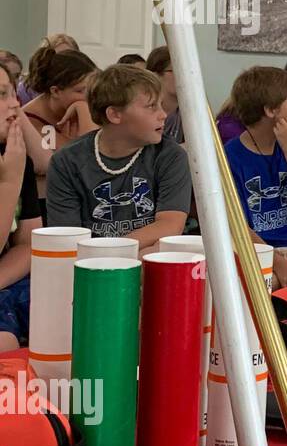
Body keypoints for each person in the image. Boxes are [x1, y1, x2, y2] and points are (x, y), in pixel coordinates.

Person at [45, 65, 191, 250]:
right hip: (89, 266)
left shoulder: (170, 156)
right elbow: (66, 237)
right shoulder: (66, 161)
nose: (163, 115)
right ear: (114, 114)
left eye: (161, 105)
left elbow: (170, 225)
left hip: (145, 261)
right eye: (151, 106)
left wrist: (112, 254)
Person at [223, 66, 287, 289]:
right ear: (271, 110)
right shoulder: (230, 158)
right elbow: (237, 227)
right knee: (271, 285)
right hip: (254, 252)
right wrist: (278, 264)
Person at [0, 63, 43, 351]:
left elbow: (29, 244)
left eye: (13, 92)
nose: (15, 103)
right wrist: (9, 182)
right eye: (2, 94)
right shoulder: (14, 165)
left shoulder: (14, 155)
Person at [21, 46, 98, 188]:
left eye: (93, 89)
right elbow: (87, 164)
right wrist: (83, 109)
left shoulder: (83, 111)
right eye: (81, 90)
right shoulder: (29, 121)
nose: (90, 97)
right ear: (55, 91)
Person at [18, 33, 78, 105]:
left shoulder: (81, 84)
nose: (63, 63)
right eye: (58, 57)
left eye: (69, 57)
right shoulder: (26, 87)